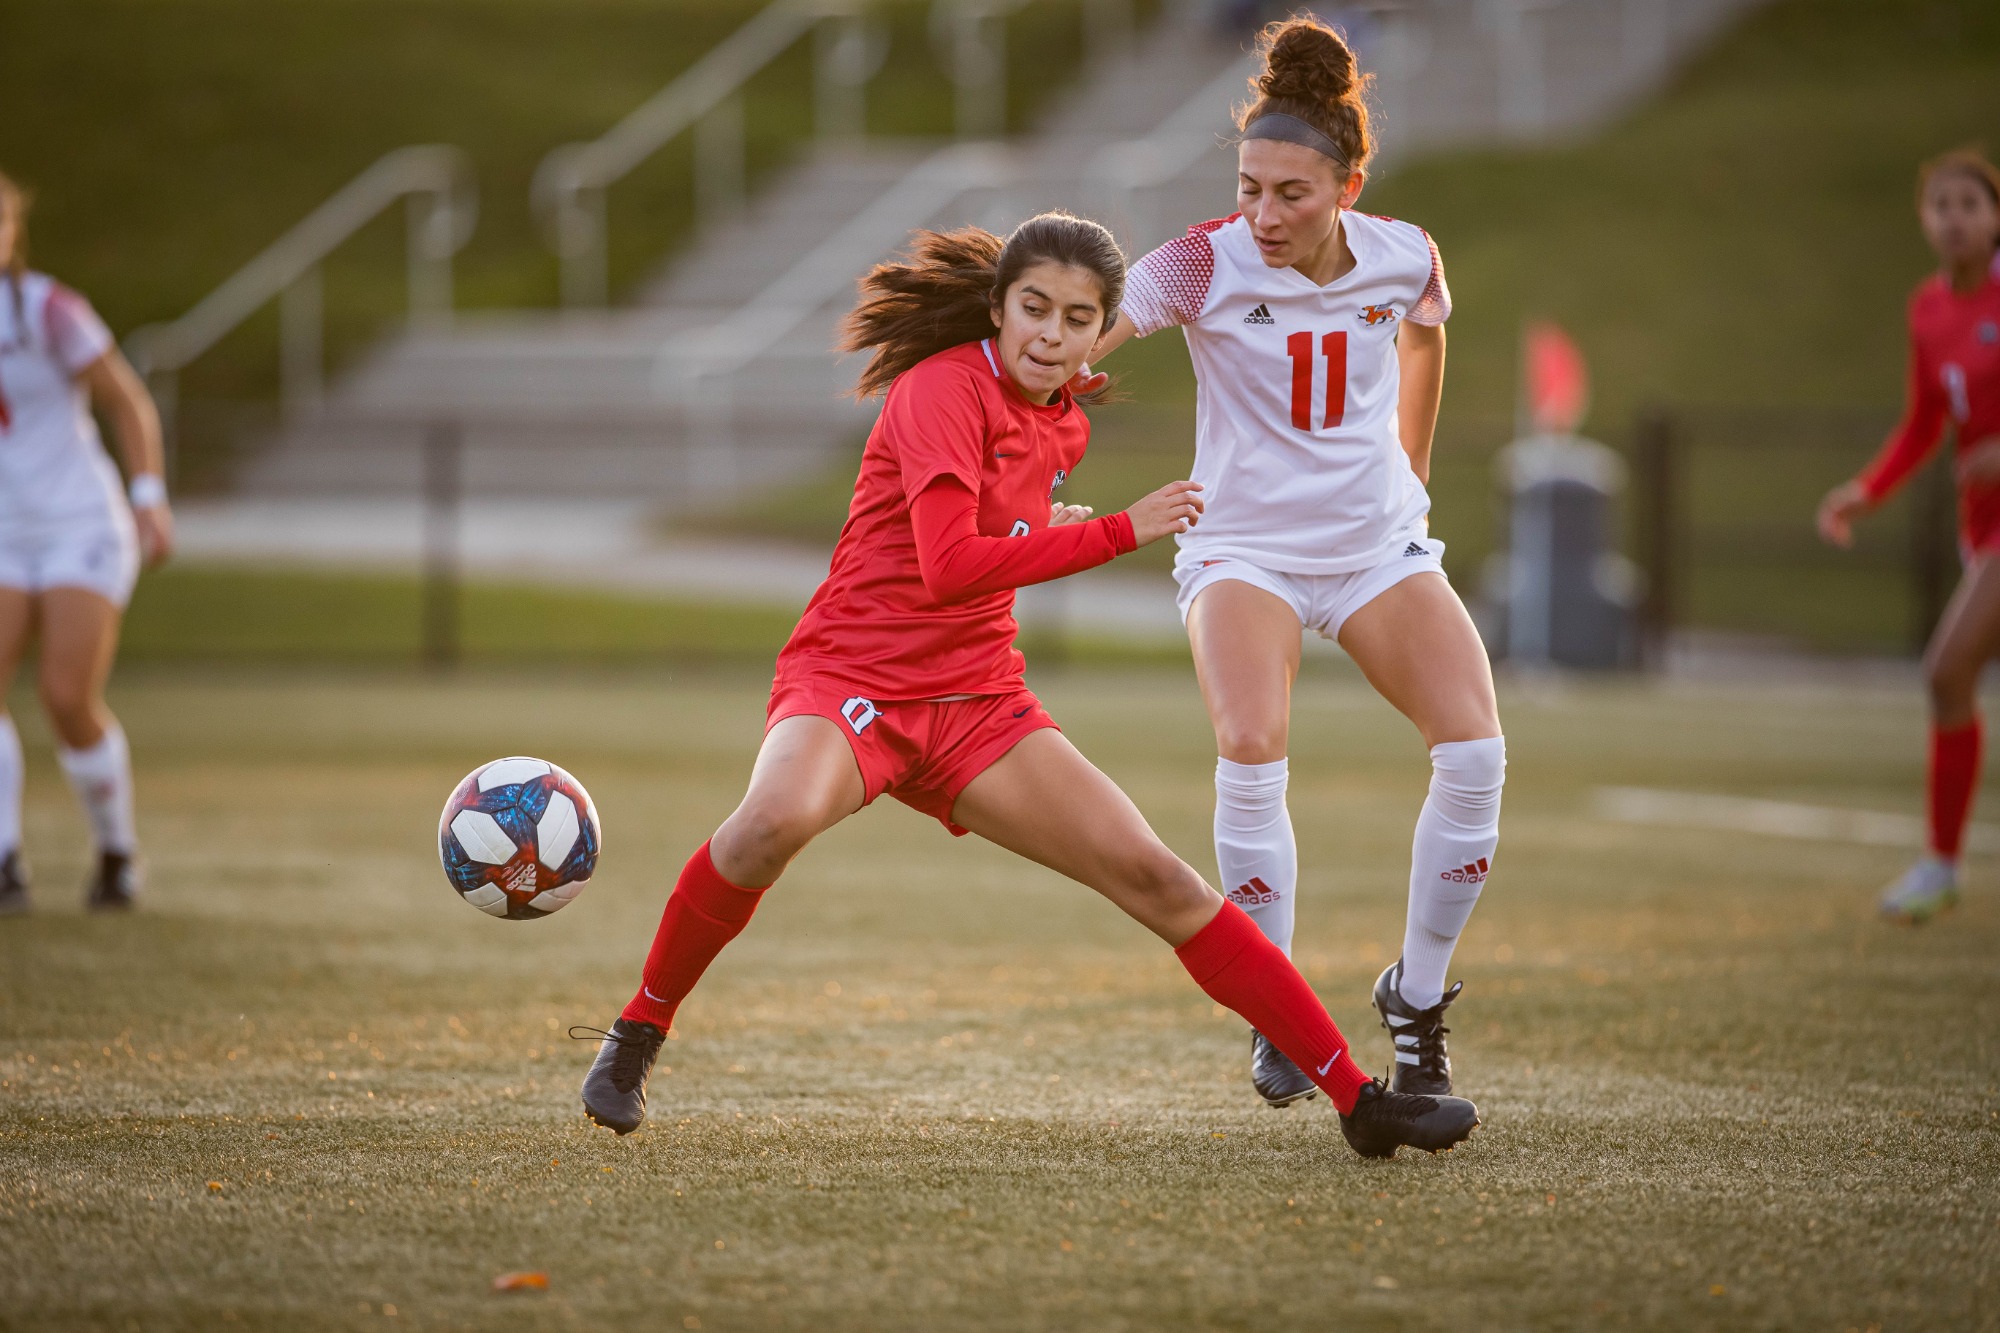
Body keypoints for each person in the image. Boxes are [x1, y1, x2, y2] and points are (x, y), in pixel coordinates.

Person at [575, 212, 1479, 1158]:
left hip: (978, 701)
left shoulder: (1065, 422)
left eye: (1078, 318)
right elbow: (946, 567)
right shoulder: (938, 388)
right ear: (998, 308)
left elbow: (991, 534)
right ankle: (637, 1030)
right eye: (1034, 308)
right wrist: (1121, 529)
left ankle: (1360, 1100)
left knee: (1159, 878)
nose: (1051, 332)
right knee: (768, 825)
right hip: (857, 681)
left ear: (1102, 334)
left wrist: (1037, 524)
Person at [1080, 18, 1504, 1105]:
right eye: (1248, 187)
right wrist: (1035, 383)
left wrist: (1409, 466)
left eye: (1290, 194)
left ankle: (1414, 997)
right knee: (1250, 739)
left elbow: (1424, 331)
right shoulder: (1195, 259)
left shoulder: (1407, 252)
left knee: (1472, 755)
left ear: (1347, 188)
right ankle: (1275, 1006)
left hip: (1372, 546)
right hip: (1244, 550)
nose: (1262, 215)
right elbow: (1087, 335)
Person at [1817, 148, 2000, 924]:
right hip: (1981, 529)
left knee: (1945, 668)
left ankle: (1939, 861)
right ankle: (1943, 865)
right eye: (1942, 206)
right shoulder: (1928, 308)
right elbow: (1925, 420)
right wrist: (1867, 491)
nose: (1955, 218)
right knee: (1950, 678)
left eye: (1971, 204)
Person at [0, 170, 172, 915]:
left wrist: (148, 496)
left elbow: (126, 401)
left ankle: (116, 852)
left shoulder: (47, 311)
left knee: (66, 695)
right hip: (5, 531)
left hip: (80, 523)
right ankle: (5, 861)